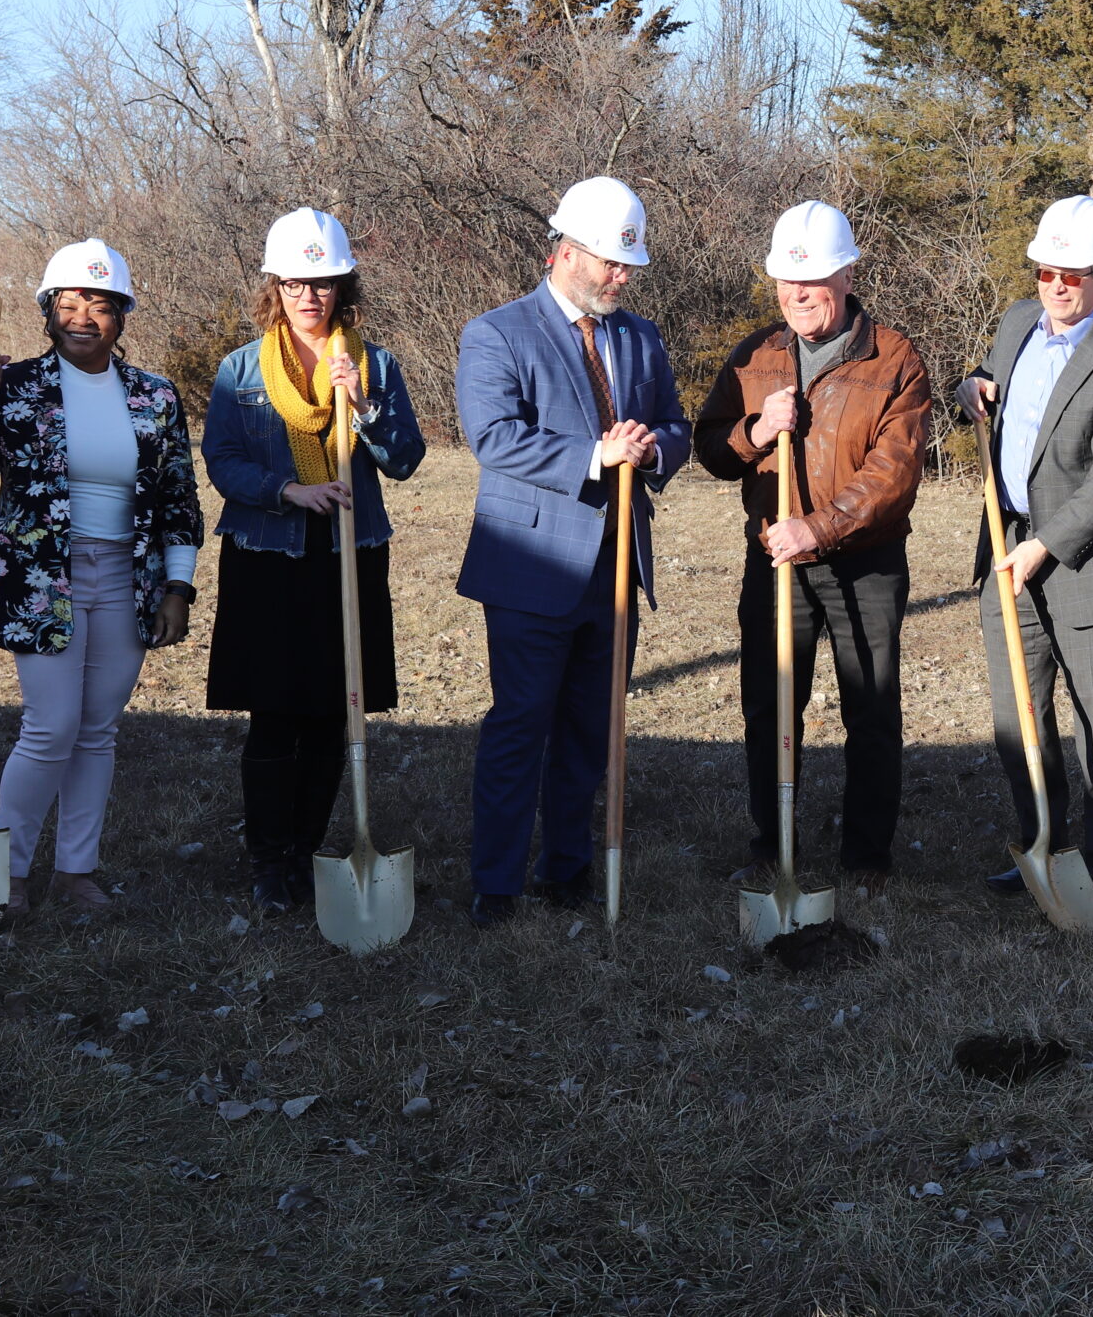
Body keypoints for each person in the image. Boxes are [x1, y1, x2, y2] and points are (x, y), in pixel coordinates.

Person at [0, 239, 203, 916]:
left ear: (122, 316)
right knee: (52, 725)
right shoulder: (16, 387)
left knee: (97, 729)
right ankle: (11, 870)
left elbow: (179, 500)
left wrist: (178, 586)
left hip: (127, 577)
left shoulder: (154, 396)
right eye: (72, 301)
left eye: (102, 303)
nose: (86, 314)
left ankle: (77, 871)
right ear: (49, 311)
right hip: (39, 580)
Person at [454, 176, 690, 927]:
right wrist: (596, 455)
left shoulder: (640, 336)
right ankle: (496, 883)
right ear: (565, 252)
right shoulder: (497, 333)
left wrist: (652, 450)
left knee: (592, 726)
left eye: (630, 267)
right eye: (610, 264)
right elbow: (495, 438)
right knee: (521, 723)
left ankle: (568, 868)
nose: (622, 278)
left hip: (617, 564)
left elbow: (675, 425)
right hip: (530, 565)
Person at [692, 202, 930, 894]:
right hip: (773, 563)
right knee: (770, 705)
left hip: (866, 561)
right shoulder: (754, 355)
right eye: (787, 281)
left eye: (815, 279)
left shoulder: (895, 358)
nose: (799, 294)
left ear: (848, 273)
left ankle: (866, 858)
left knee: (872, 709)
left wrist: (818, 528)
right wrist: (756, 431)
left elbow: (894, 474)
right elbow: (711, 447)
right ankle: (773, 844)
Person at [200, 209, 427, 914]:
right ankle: (268, 859)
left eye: (324, 282)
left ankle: (307, 848)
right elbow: (222, 460)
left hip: (347, 559)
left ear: (342, 285)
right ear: (276, 286)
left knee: (336, 711)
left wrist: (361, 406)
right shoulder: (241, 367)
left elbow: (408, 459)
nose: (310, 296)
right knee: (274, 715)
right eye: (297, 282)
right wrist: (287, 490)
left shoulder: (374, 363)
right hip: (269, 557)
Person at [957, 195, 1093, 911]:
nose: (1056, 286)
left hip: (1085, 563)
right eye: (1047, 271)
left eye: (1073, 274)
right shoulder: (1017, 322)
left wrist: (1046, 547)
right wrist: (974, 388)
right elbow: (984, 383)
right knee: (1020, 716)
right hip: (1006, 541)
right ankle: (1041, 842)